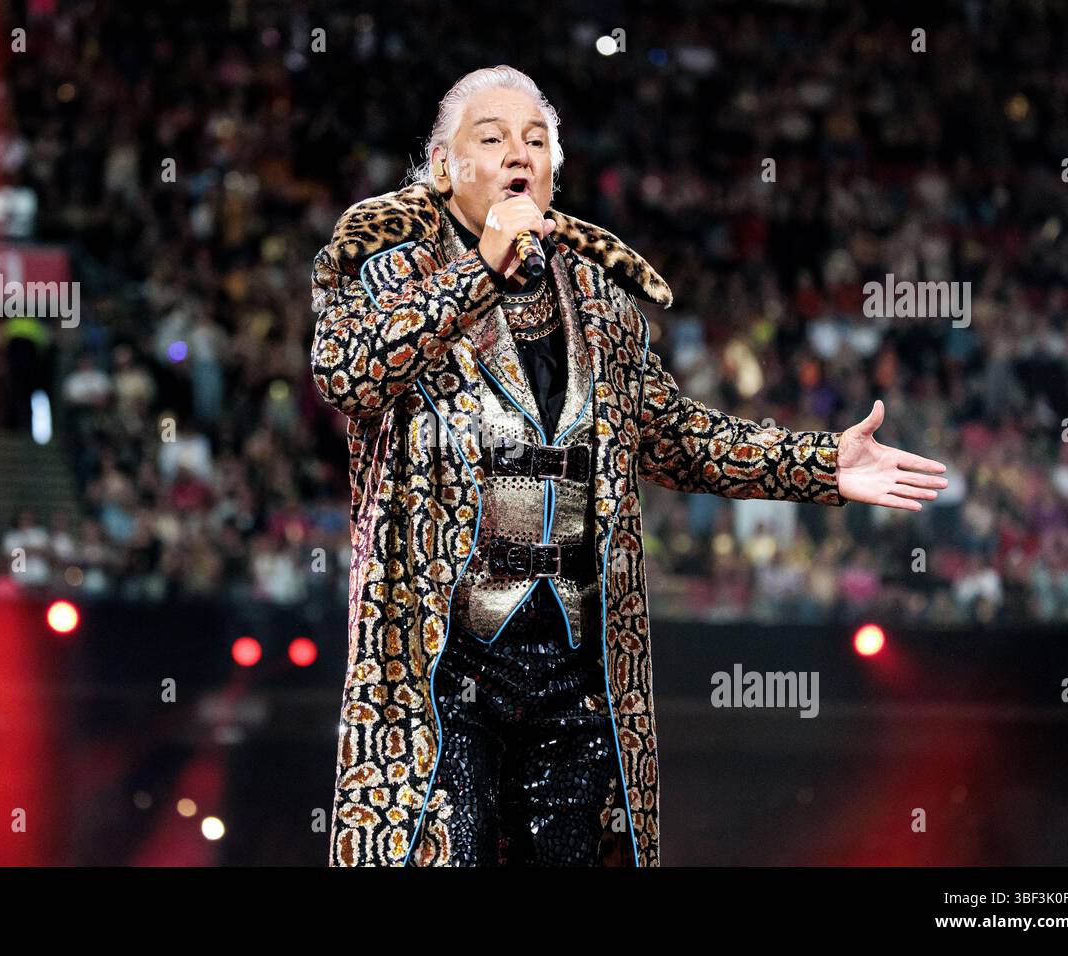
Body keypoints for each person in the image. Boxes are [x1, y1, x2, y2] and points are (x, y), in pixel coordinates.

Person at [309, 65, 948, 867]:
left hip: (576, 675)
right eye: (494, 137)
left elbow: (674, 435)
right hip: (442, 673)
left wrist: (820, 465)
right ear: (444, 168)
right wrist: (480, 270)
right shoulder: (389, 274)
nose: (520, 153)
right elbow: (349, 374)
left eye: (537, 140)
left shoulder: (600, 304)